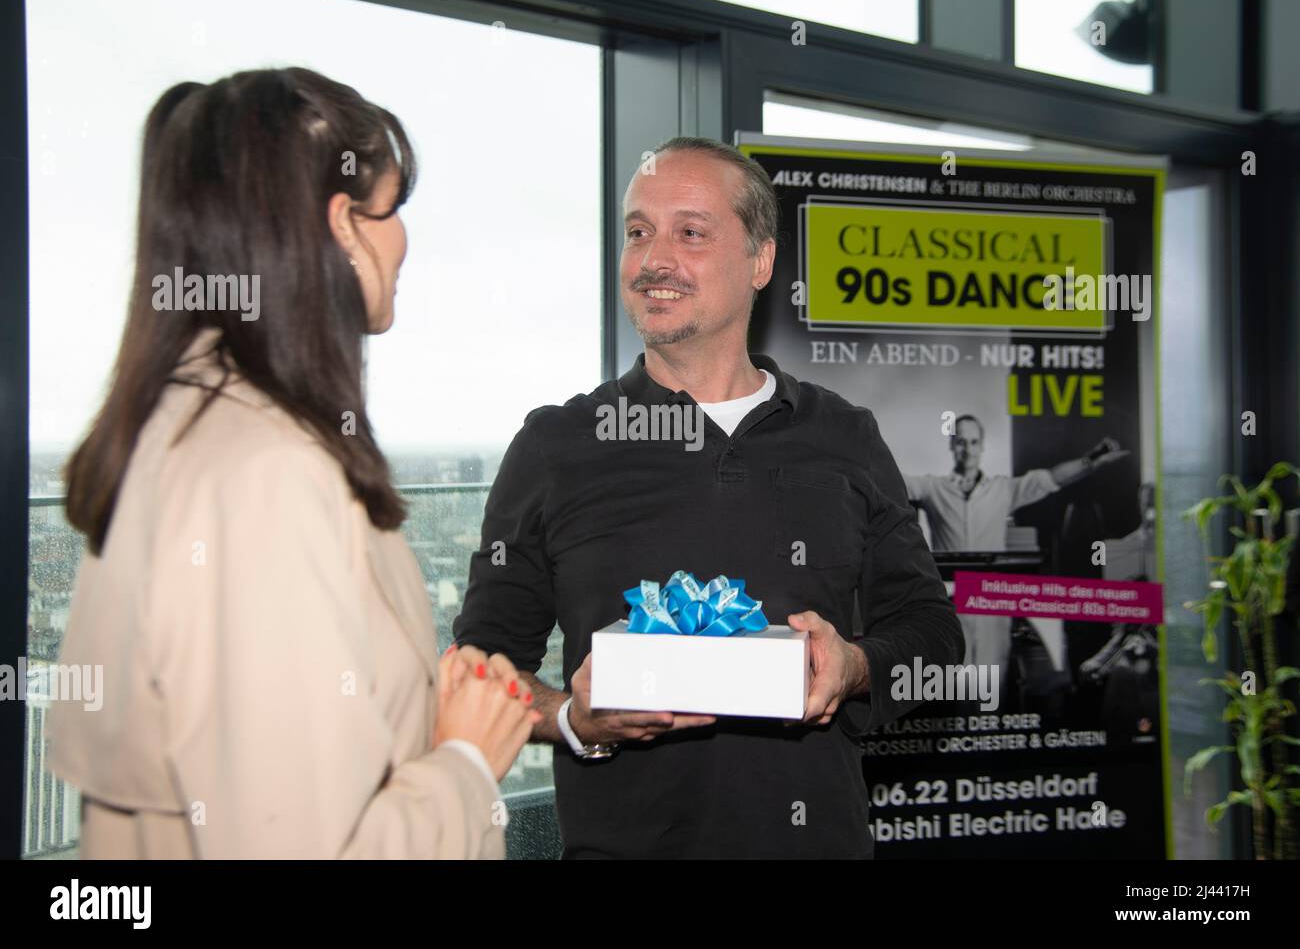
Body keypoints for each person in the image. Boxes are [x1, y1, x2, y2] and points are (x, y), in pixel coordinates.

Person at [47, 68, 539, 859]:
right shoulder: (268, 475)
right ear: (343, 227)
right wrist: (467, 761)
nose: (405, 240)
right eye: (394, 208)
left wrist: (424, 708)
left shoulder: (189, 430)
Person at [453, 136, 963, 858]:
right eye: (637, 232)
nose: (653, 259)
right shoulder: (554, 446)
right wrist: (574, 719)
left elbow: (933, 639)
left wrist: (853, 666)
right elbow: (482, 666)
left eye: (689, 232)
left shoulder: (844, 436)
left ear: (760, 261)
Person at [903, 414, 1127, 553]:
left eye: (974, 442)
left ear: (982, 446)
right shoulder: (932, 488)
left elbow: (1050, 478)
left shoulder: (1003, 490)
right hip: (947, 593)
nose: (968, 450)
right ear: (952, 445)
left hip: (988, 594)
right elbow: (891, 482)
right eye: (961, 442)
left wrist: (1093, 459)